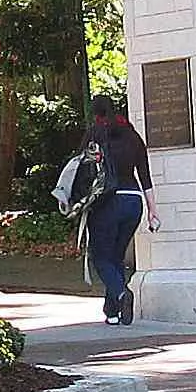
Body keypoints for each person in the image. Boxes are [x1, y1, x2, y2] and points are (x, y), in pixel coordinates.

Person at [67, 96, 158, 324]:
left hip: (107, 202)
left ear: (95, 112)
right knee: (116, 255)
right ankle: (113, 311)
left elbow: (79, 167)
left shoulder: (95, 134)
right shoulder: (133, 136)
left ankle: (121, 293)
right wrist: (153, 211)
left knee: (100, 257)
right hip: (134, 201)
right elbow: (145, 177)